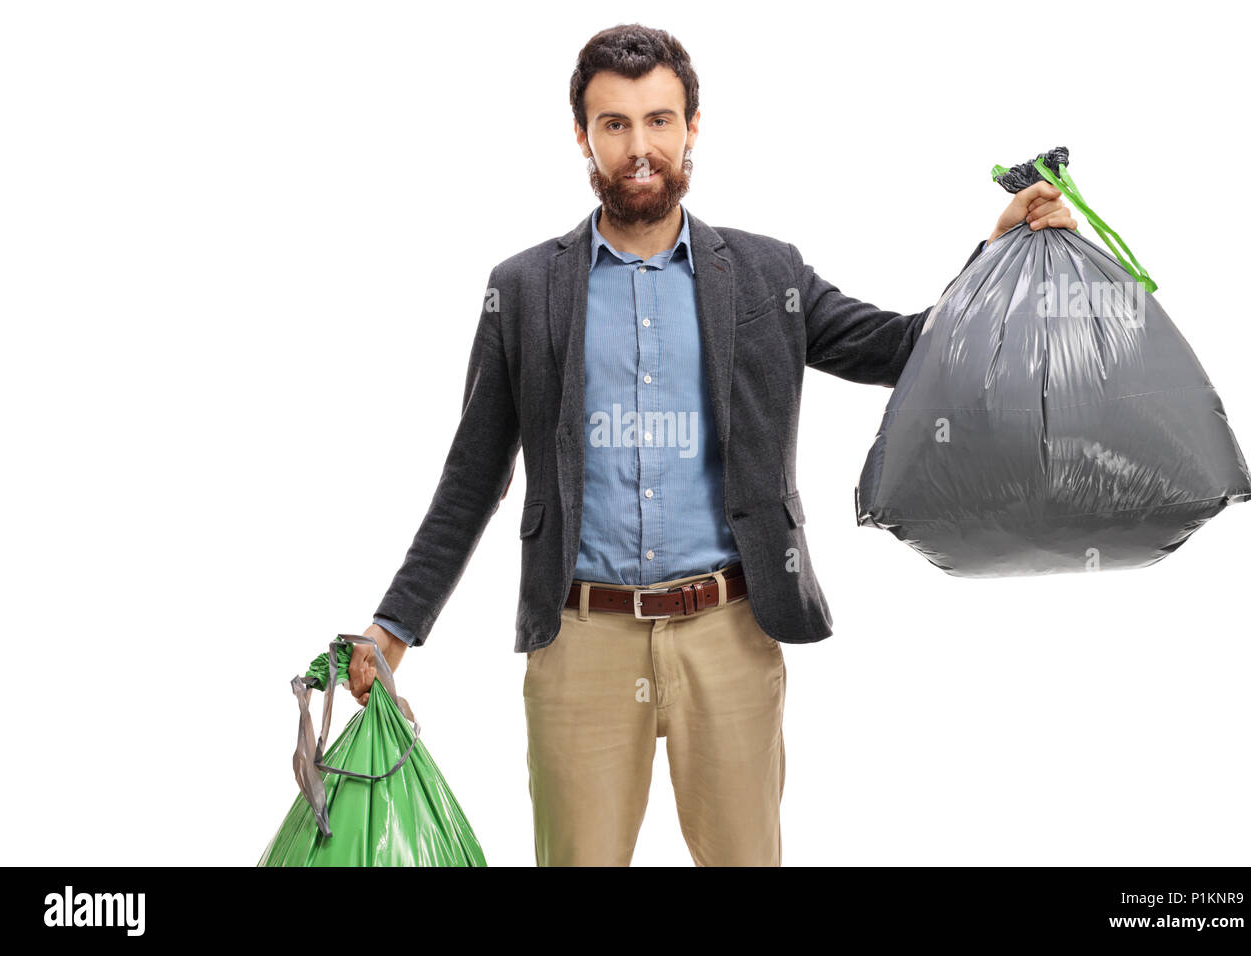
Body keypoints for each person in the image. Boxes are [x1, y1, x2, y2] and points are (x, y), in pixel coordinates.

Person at [346, 23, 1076, 866]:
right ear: (581, 136)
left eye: (659, 120)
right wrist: (391, 629)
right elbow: (473, 478)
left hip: (729, 630)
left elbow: (904, 350)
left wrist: (993, 252)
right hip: (581, 640)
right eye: (614, 124)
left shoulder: (768, 276)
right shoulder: (525, 289)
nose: (639, 146)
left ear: (694, 127)